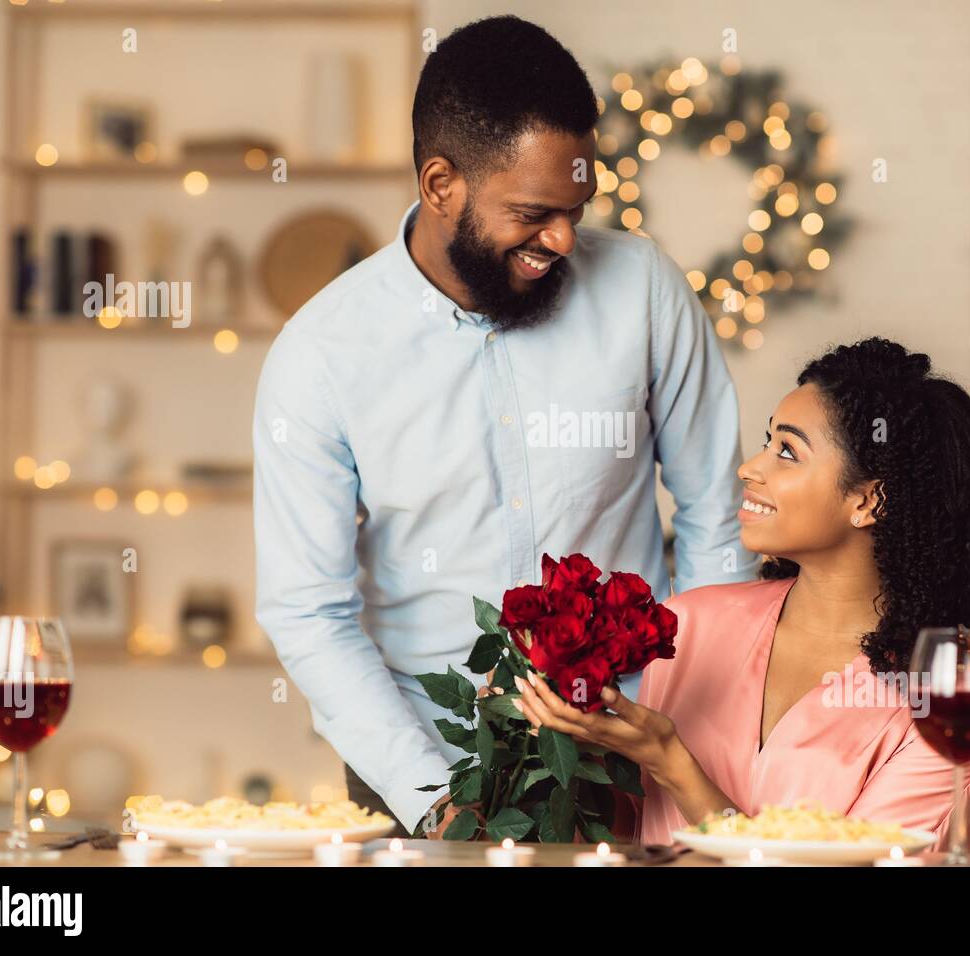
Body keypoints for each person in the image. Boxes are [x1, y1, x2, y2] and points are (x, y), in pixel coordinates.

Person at [252, 15, 757, 839]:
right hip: (418, 759)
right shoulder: (320, 354)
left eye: (577, 208)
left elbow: (714, 517)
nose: (563, 239)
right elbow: (309, 610)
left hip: (628, 745)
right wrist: (431, 797)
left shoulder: (643, 292)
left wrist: (680, 725)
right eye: (533, 213)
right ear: (440, 183)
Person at [516, 338, 970, 849]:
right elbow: (629, 833)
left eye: (787, 452)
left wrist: (671, 759)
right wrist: (564, 744)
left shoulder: (951, 698)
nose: (749, 468)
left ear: (869, 500)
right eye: (767, 441)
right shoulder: (688, 624)